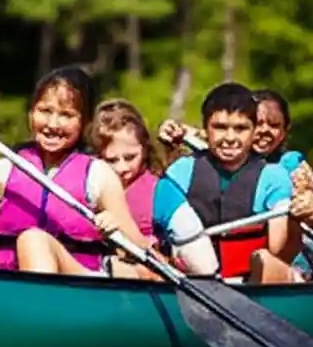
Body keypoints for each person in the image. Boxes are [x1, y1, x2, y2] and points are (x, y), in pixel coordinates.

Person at [0, 66, 147, 275]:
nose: (52, 124)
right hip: (12, 283)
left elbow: (138, 247)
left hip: (75, 285)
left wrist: (115, 229)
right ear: (31, 114)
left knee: (34, 239)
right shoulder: (12, 166)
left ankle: (37, 311)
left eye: (66, 115)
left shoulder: (98, 174)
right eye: (44, 111)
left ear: (85, 123)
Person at [161, 87, 313, 267]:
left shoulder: (289, 167)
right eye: (259, 124)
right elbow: (210, 132)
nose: (264, 131)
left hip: (280, 261)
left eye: (274, 125)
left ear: (285, 131)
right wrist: (176, 136)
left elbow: (310, 207)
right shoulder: (204, 157)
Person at [158, 83, 301, 284]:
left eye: (241, 129)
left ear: (253, 132)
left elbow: (277, 248)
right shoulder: (182, 171)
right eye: (220, 128)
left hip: (252, 279)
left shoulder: (273, 177)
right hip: (193, 277)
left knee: (267, 261)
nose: (230, 138)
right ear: (205, 129)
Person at [88, 99, 219, 278]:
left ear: (145, 149)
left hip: (146, 274)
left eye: (130, 157)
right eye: (111, 160)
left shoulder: (161, 191)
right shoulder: (86, 182)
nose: (122, 168)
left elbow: (203, 262)